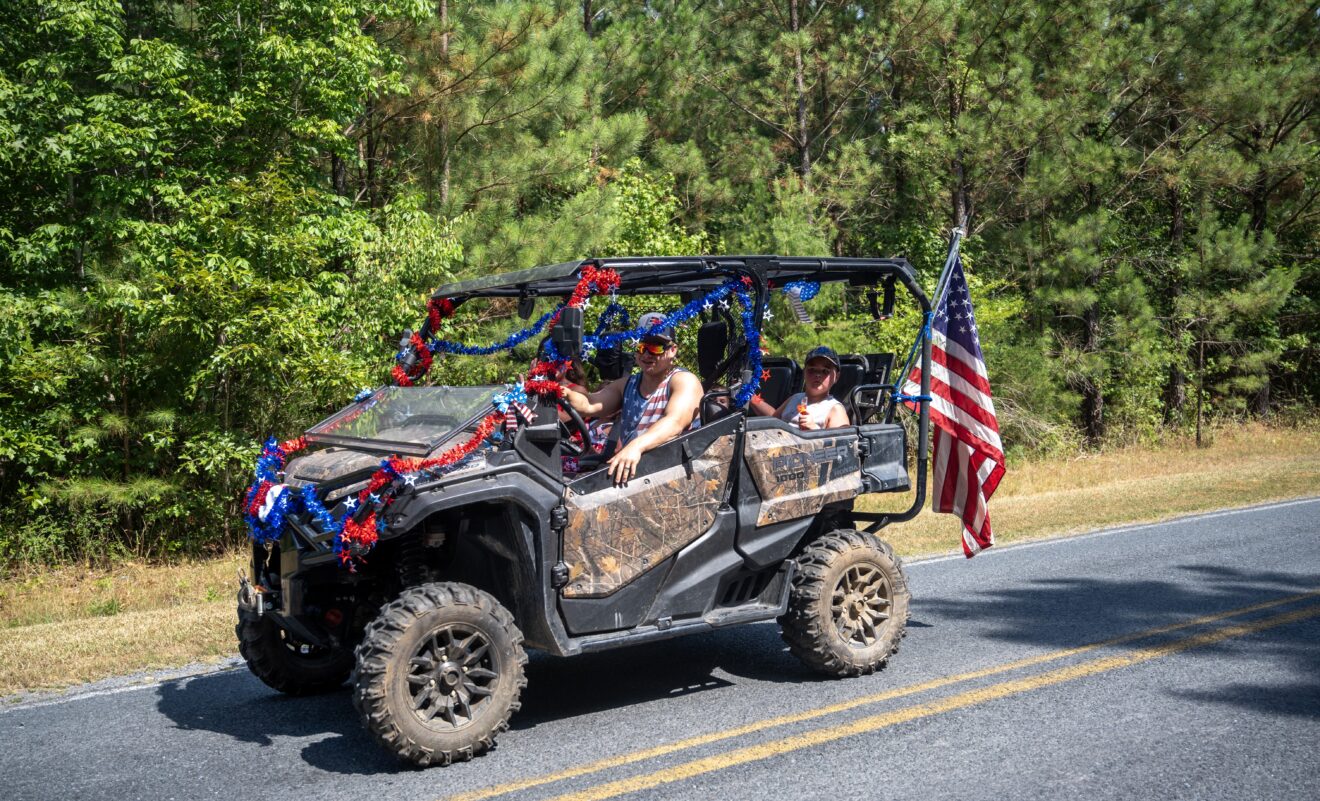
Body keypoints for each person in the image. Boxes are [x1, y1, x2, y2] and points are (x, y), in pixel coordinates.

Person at [560, 312, 702, 484]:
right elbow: (589, 404)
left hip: (672, 476)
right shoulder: (627, 384)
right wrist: (562, 392)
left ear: (672, 350)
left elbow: (675, 422)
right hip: (634, 473)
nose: (647, 355)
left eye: (656, 348)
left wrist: (636, 446)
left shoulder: (684, 381)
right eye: (642, 347)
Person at [749, 345, 850, 430]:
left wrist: (814, 430)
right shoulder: (795, 398)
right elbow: (773, 418)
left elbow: (841, 443)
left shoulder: (835, 409)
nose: (817, 375)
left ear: (836, 377)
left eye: (825, 371)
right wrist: (751, 397)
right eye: (812, 369)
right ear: (804, 372)